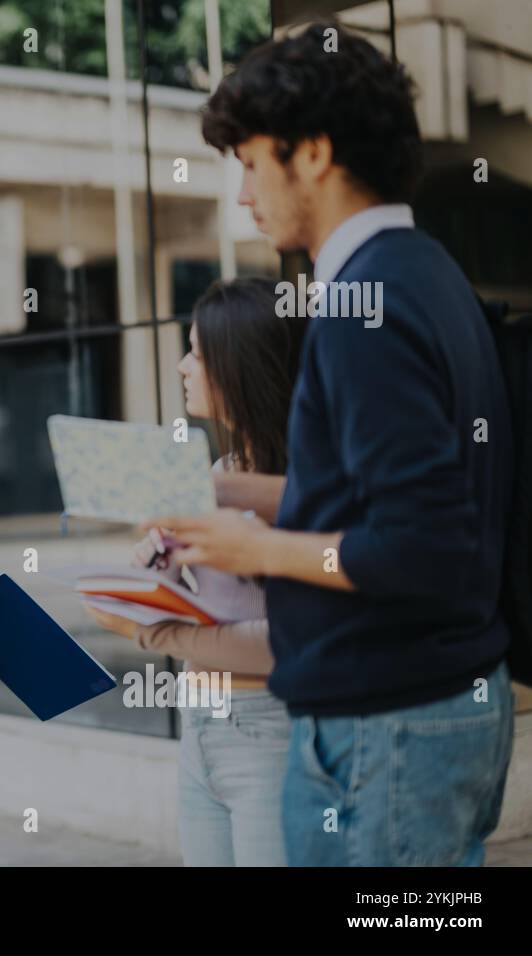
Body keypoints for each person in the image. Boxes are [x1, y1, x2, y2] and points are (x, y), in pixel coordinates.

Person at [150, 23, 515, 866]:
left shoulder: (367, 305)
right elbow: (381, 497)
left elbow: (416, 547)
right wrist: (228, 497)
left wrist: (262, 549)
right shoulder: (424, 273)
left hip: (388, 723)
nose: (244, 195)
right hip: (423, 711)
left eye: (250, 163)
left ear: (311, 152)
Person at [89, 278, 306, 866]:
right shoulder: (220, 469)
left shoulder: (308, 492)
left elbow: (289, 645)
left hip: (271, 730)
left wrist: (147, 631)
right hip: (200, 724)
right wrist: (157, 583)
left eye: (198, 353)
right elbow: (222, 602)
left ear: (239, 368)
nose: (183, 366)